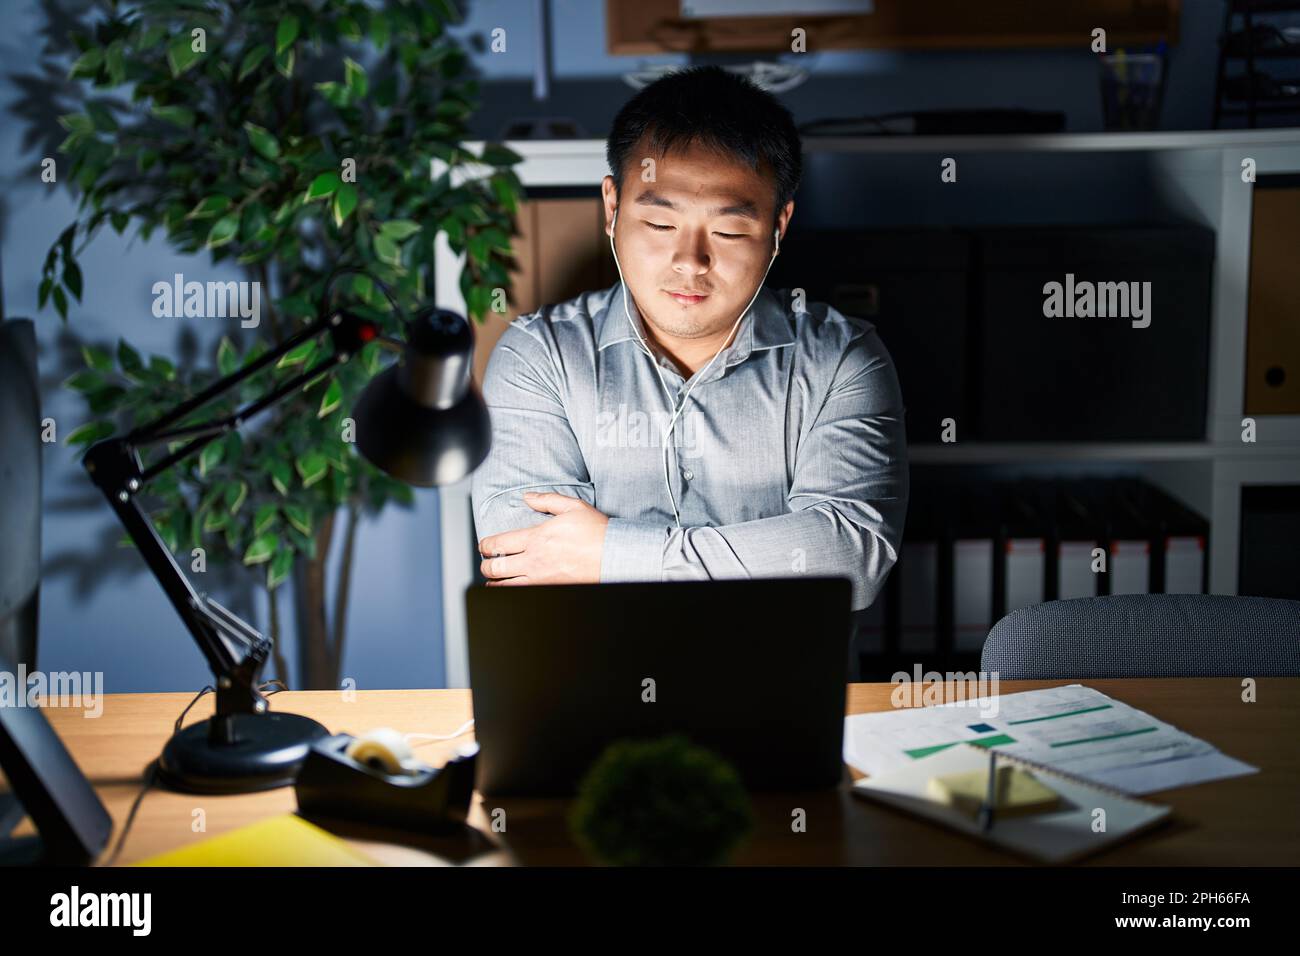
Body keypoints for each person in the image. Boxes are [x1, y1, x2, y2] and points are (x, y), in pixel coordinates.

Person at [470, 66, 908, 612]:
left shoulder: (841, 361)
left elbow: (849, 558)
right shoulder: (538, 356)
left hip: (788, 688)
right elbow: (524, 560)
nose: (690, 261)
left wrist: (611, 554)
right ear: (612, 209)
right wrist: (759, 556)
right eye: (659, 225)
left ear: (779, 227)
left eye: (727, 231)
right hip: (589, 684)